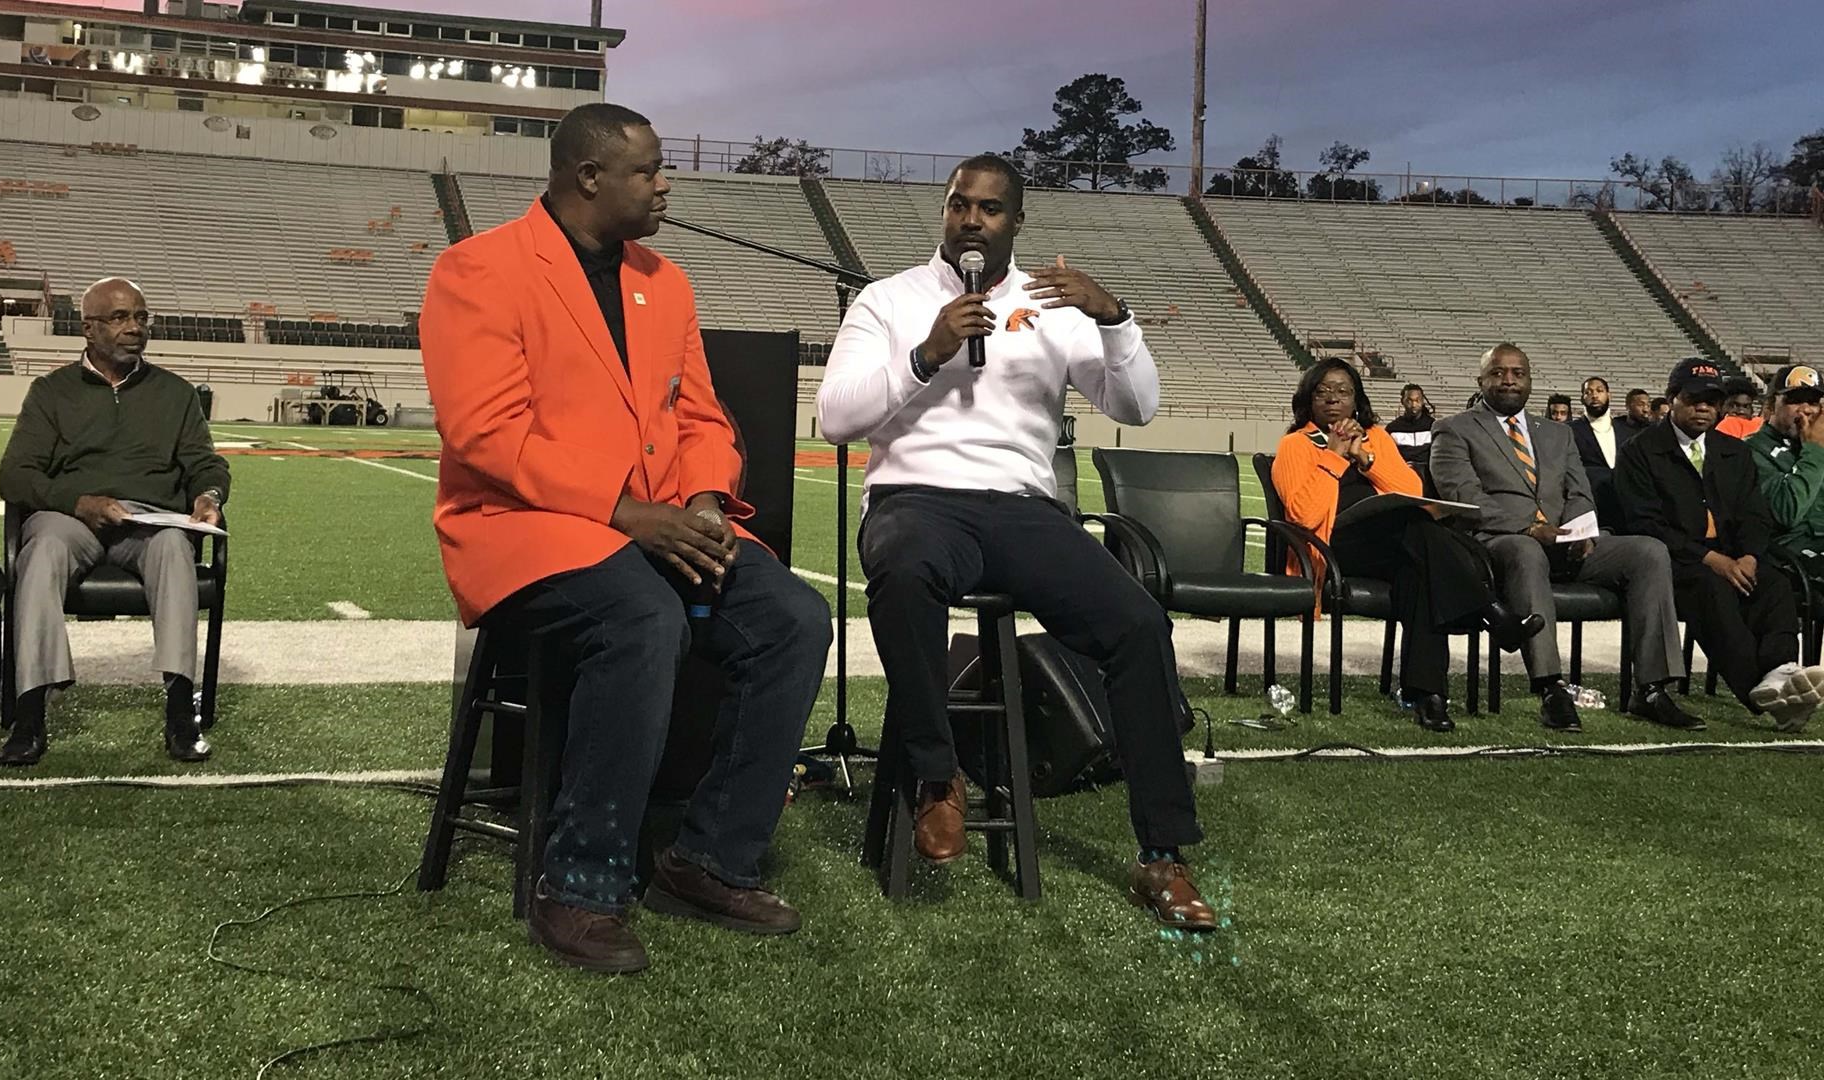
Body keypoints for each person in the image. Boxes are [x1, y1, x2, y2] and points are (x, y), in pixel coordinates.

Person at [419, 103, 832, 974]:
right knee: (644, 618)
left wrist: (706, 500)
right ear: (589, 177)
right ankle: (579, 885)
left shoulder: (665, 282)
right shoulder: (478, 269)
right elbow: (486, 433)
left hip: (658, 524)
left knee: (795, 619)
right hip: (526, 529)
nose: (664, 185)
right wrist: (627, 512)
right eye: (647, 171)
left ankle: (708, 860)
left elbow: (702, 419)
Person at [817, 154, 1217, 931]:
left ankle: (1161, 853)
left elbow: (1137, 407)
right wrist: (925, 354)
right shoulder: (889, 299)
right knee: (904, 570)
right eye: (959, 204)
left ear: (1017, 222)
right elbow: (836, 417)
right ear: (945, 211)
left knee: (1137, 624)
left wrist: (1115, 319)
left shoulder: (1053, 306)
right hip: (917, 496)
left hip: (1023, 508)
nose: (971, 219)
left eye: (990, 209)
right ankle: (937, 777)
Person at [0, 278, 228, 765]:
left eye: (141, 317)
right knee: (42, 551)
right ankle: (30, 711)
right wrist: (78, 502)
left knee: (174, 547)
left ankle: (180, 709)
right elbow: (16, 475)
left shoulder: (176, 394)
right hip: (70, 518)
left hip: (147, 522)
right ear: (88, 328)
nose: (134, 328)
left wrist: (208, 495)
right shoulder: (51, 391)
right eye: (120, 317)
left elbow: (205, 464)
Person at [1432, 344, 1699, 732]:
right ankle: (1551, 688)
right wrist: (1530, 527)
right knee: (1526, 550)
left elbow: (1579, 492)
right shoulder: (1454, 429)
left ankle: (1652, 689)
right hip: (1500, 543)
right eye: (1498, 373)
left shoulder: (1558, 433)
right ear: (1481, 380)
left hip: (1564, 543)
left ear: (1529, 380)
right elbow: (1463, 498)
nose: (1509, 380)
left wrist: (1580, 529)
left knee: (1649, 551)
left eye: (1518, 373)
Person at [1272, 360, 1536, 732]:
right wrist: (1333, 456)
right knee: (1418, 531)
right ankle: (1491, 611)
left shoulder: (1376, 437)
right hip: (1335, 549)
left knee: (1421, 572)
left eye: (1343, 391)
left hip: (1396, 546)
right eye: (1323, 391)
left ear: (1357, 400)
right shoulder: (1295, 445)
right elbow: (1303, 516)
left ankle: (1429, 696)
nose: (1333, 398)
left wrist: (1365, 459)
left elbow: (1412, 492)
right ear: (1308, 399)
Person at [1616, 358, 1824, 731]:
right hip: (1676, 561)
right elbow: (1645, 523)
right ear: (1672, 398)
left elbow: (1755, 516)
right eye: (1694, 398)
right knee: (1712, 590)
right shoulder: (1640, 450)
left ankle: (1781, 671)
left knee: (1774, 583)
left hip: (1733, 557)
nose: (1704, 407)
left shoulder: (1733, 451)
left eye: (1712, 401)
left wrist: (1750, 556)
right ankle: (1760, 691)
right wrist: (1711, 558)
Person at [1745, 365, 1824, 577]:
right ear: (1771, 405)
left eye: (1813, 402)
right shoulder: (1750, 451)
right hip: (1788, 557)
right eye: (1795, 400)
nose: (1806, 410)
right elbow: (1787, 512)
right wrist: (1814, 451)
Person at [1570, 375, 1633, 527]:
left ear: (1609, 395)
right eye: (1588, 392)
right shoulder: (1569, 431)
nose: (1594, 395)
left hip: (1625, 511)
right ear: (1582, 398)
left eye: (1599, 390)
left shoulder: (1628, 431)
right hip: (1590, 510)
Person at [1384, 383, 1435, 480]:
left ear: (1422, 401)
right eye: (1409, 401)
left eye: (1417, 400)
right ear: (1402, 401)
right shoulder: (1393, 428)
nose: (1414, 405)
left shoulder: (1433, 426)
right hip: (1401, 474)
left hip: (1428, 476)